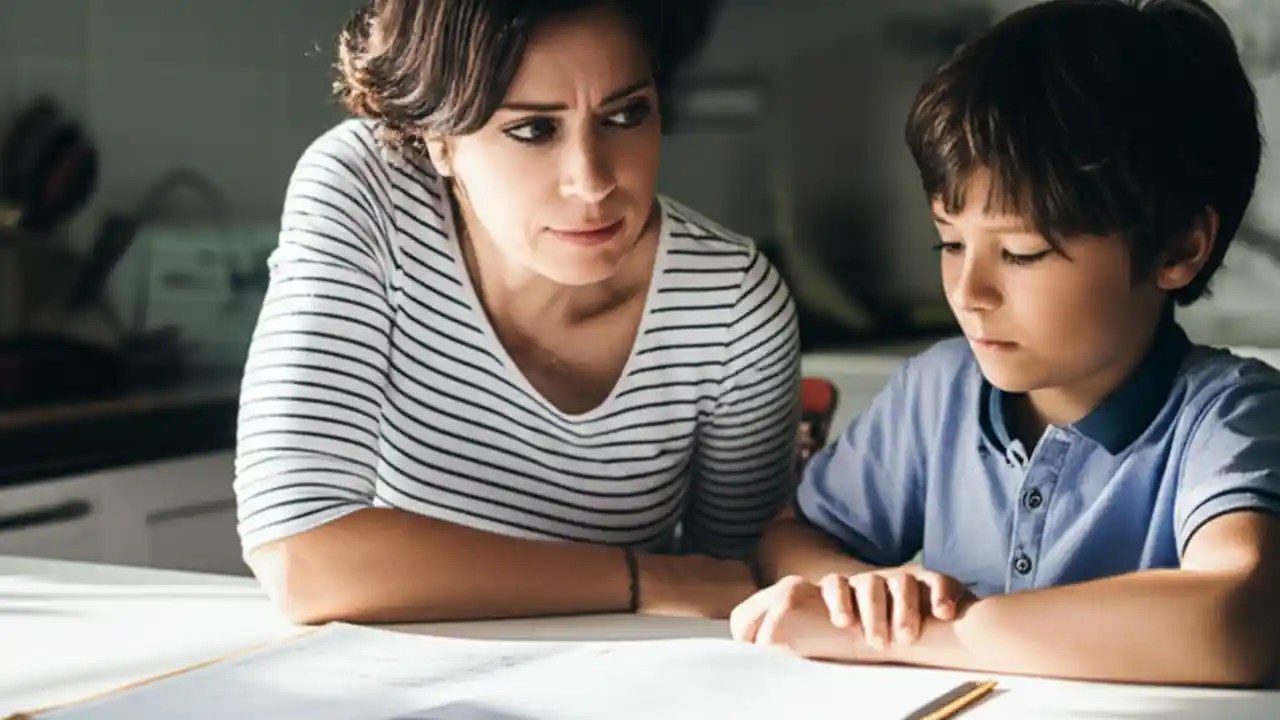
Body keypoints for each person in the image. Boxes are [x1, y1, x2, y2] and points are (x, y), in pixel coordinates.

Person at [731, 0, 1280, 687]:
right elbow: (790, 537)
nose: (969, 291)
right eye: (950, 243)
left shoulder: (1229, 416)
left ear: (1178, 248)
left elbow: (1237, 620)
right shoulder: (938, 392)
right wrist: (858, 597)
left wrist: (928, 634)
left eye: (1021, 253)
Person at [235, 0, 800, 625]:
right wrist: (643, 579)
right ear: (438, 138)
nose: (592, 181)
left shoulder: (730, 303)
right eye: (533, 130)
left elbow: (741, 588)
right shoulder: (371, 194)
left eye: (624, 115)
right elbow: (300, 558)